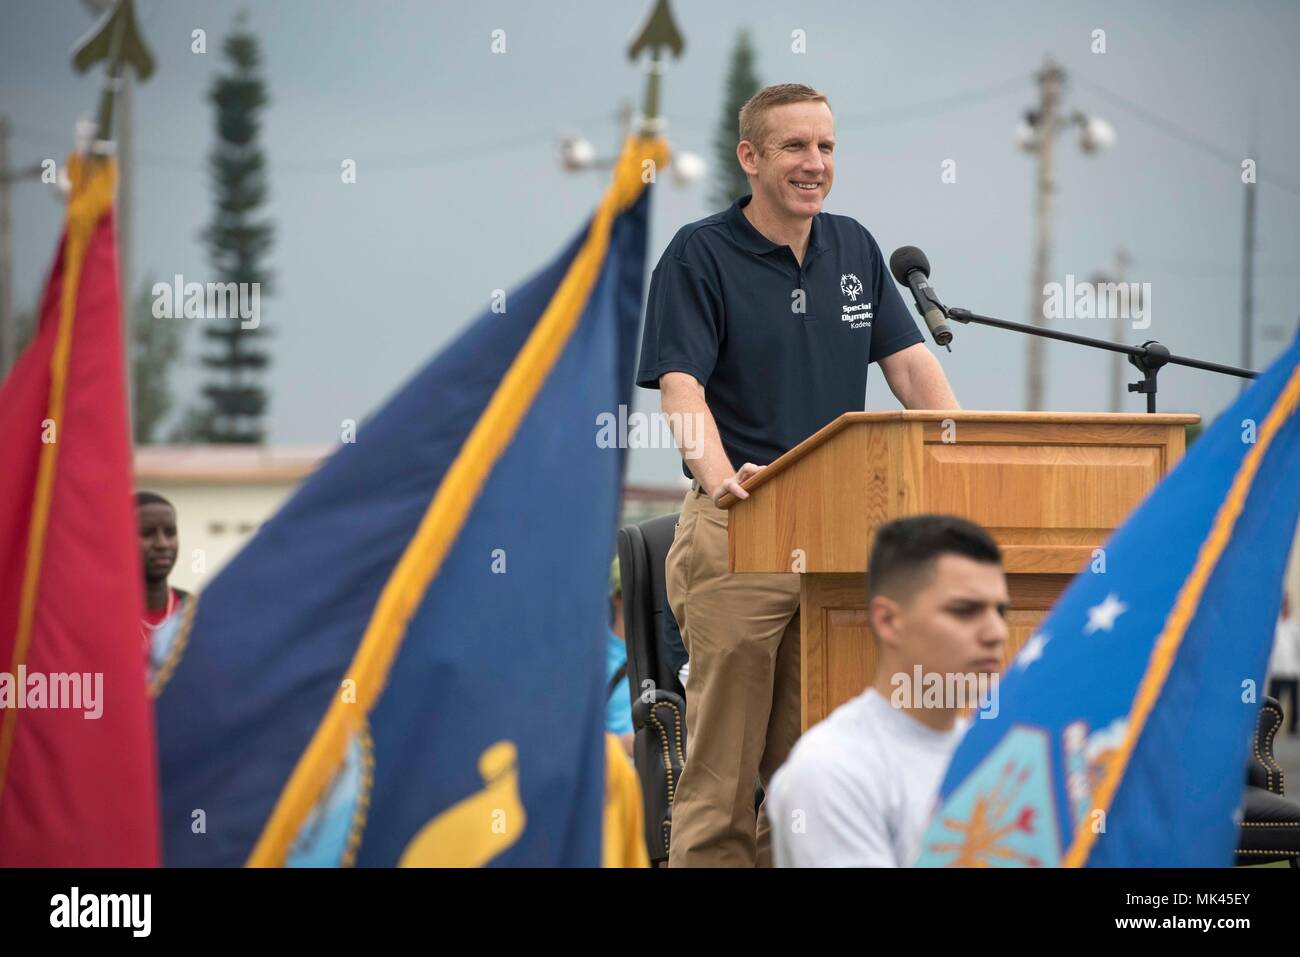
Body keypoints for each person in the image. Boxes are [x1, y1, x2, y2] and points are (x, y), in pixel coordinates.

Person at [636, 83, 959, 867]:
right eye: (795, 146)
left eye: (826, 147)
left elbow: (913, 372)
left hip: (839, 539)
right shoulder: (699, 254)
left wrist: (965, 459)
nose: (815, 163)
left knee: (813, 775)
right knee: (722, 775)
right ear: (750, 158)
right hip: (739, 530)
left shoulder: (855, 247)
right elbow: (681, 388)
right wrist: (720, 478)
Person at [767, 515, 1008, 867]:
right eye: (965, 611)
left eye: (1000, 610)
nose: (996, 632)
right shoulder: (831, 769)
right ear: (889, 621)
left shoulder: (999, 756)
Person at [136, 491, 191, 661]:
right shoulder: (100, 617)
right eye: (147, 533)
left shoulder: (193, 613)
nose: (162, 544)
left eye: (170, 533)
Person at [606, 559, 635, 756]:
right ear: (617, 597)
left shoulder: (666, 655)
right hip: (616, 771)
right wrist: (621, 745)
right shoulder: (595, 661)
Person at [1267, 591, 1299, 735]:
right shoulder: (1274, 625)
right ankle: (1271, 726)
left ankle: (1293, 727)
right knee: (1274, 701)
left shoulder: (1295, 626)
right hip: (1276, 670)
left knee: (1294, 702)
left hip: (1292, 670)